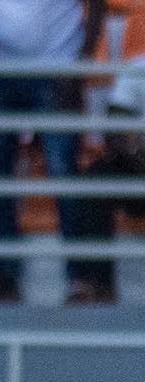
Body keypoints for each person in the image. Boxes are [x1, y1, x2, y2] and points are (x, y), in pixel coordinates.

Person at [0, 0, 105, 303]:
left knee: (63, 172)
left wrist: (81, 63)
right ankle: (5, 279)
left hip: (58, 69)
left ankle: (80, 280)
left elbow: (97, 5)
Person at [71, 54, 145, 304]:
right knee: (96, 178)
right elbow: (115, 125)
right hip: (138, 167)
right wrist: (137, 154)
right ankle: (97, 283)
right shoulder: (139, 68)